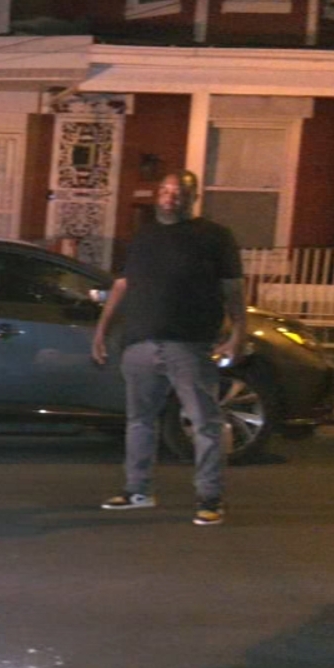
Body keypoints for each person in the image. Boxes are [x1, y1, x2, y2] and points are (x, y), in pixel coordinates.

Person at [91, 171, 246, 526]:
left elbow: (233, 289)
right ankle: (138, 490)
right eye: (165, 190)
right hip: (140, 342)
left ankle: (210, 498)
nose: (171, 196)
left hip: (189, 344)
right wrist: (101, 331)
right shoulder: (144, 237)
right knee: (140, 421)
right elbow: (122, 285)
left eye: (180, 191)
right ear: (158, 195)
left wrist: (238, 332)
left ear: (193, 197)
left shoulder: (215, 237)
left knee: (204, 422)